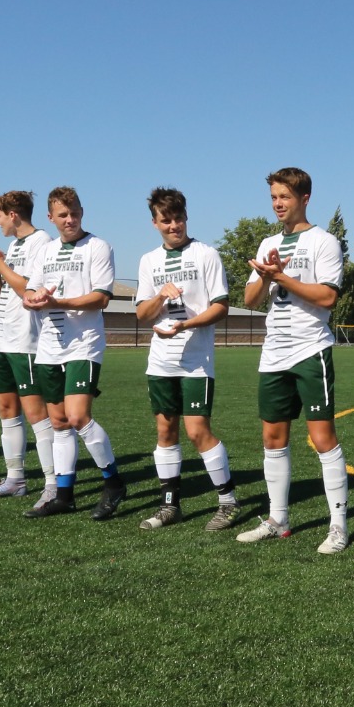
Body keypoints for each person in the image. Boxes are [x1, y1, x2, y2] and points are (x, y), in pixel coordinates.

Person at [237, 167, 351, 549]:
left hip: (310, 348)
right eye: (273, 197)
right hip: (274, 353)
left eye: (284, 197)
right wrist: (267, 277)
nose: (278, 204)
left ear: (304, 199)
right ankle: (277, 519)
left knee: (321, 438)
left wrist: (282, 278)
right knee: (272, 437)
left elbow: (328, 298)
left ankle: (338, 526)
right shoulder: (268, 242)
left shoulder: (324, 242)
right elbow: (251, 301)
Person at [132, 187, 239, 531]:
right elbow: (142, 315)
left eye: (178, 218)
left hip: (196, 360)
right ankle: (169, 506)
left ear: (186, 217)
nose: (174, 225)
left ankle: (227, 501)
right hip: (160, 361)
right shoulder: (149, 261)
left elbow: (221, 307)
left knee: (197, 431)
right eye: (166, 220)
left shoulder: (206, 254)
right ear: (155, 223)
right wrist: (161, 296)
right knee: (165, 430)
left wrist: (186, 325)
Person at [22, 186, 126, 519]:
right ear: (50, 218)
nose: (70, 220)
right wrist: (32, 299)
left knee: (79, 416)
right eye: (63, 215)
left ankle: (113, 483)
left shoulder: (98, 246)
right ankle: (64, 495)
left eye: (75, 212)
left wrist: (58, 302)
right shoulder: (46, 252)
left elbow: (100, 297)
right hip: (49, 346)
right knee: (59, 422)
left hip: (84, 344)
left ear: (82, 211)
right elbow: (29, 289)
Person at [0, 190, 54, 499]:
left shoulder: (41, 242)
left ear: (13, 215)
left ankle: (50, 483)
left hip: (26, 341)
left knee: (35, 412)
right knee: (6, 408)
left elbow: (27, 291)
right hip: (2, 339)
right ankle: (15, 479)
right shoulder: (14, 245)